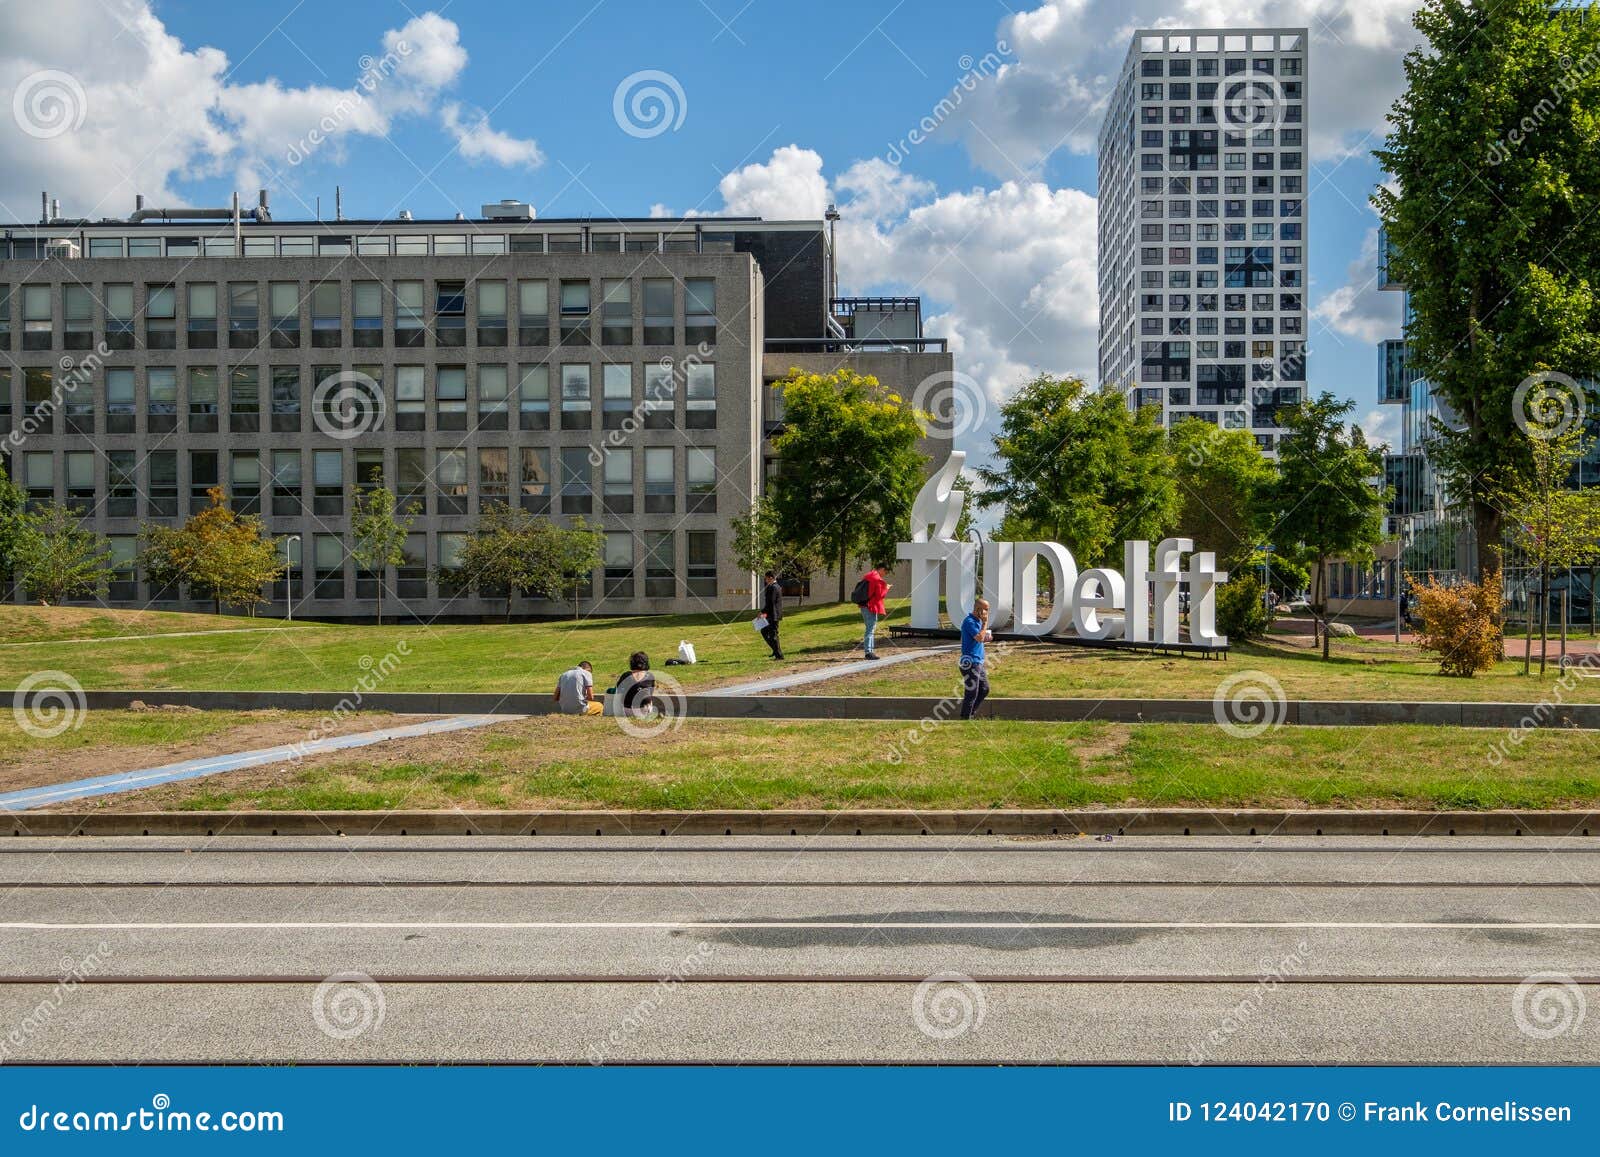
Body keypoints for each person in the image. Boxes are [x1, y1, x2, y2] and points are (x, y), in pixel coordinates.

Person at [959, 598, 993, 720]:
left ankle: (970, 713)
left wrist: (987, 636)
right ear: (978, 609)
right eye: (986, 610)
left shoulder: (978, 621)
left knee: (984, 689)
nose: (987, 613)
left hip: (978, 661)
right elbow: (979, 638)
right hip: (970, 662)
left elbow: (980, 638)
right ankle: (966, 717)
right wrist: (985, 624)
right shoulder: (969, 621)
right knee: (972, 691)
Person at [857, 567, 890, 660]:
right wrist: (886, 588)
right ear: (882, 569)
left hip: (863, 606)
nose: (885, 574)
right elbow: (880, 595)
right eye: (885, 571)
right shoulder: (877, 579)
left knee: (869, 628)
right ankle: (868, 652)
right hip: (870, 606)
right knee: (870, 629)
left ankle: (869, 651)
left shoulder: (868, 576)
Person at [759, 571, 784, 660]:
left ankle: (779, 655)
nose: (765, 580)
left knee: (773, 635)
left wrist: (762, 612)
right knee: (765, 631)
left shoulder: (773, 587)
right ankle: (775, 650)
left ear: (771, 578)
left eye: (766, 578)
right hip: (773, 614)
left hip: (773, 615)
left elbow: (770, 602)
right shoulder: (776, 587)